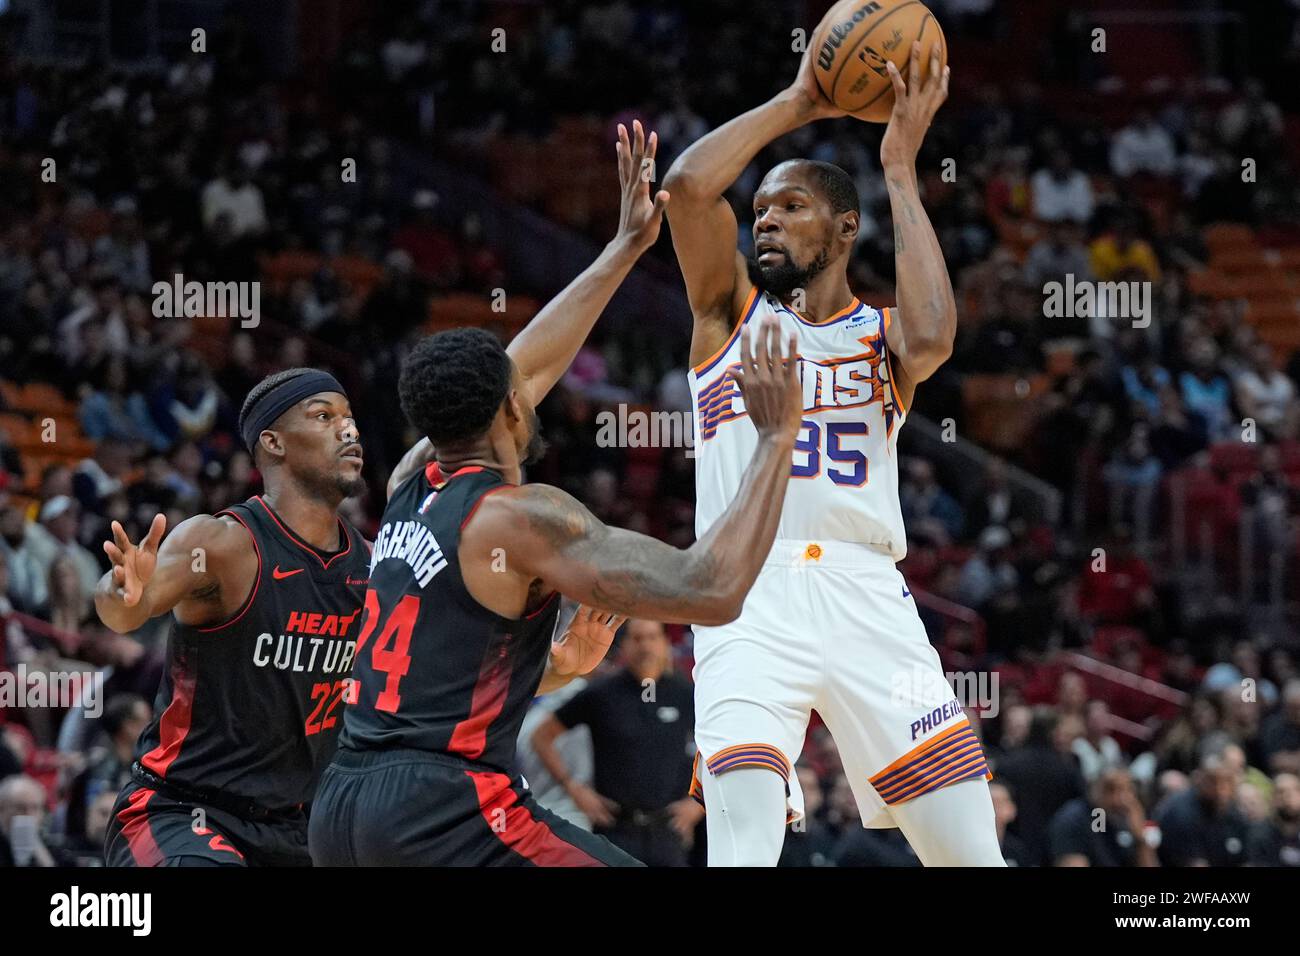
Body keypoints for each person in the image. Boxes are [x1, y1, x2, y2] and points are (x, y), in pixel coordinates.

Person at [309, 116, 806, 869]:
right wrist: (774, 441)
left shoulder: (414, 477)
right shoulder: (522, 516)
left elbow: (524, 367)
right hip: (444, 808)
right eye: (522, 393)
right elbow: (713, 589)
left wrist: (623, 248)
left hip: (344, 805)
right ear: (512, 410)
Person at [660, 16, 1001, 866]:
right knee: (744, 849)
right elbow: (691, 189)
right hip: (745, 588)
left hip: (864, 594)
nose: (766, 221)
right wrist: (800, 98)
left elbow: (933, 341)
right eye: (764, 209)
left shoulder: (882, 339)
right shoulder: (726, 318)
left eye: (792, 206)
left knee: (971, 856)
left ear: (846, 229)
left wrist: (897, 167)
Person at [96, 366, 375, 867]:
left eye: (350, 418)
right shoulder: (222, 544)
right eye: (324, 416)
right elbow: (125, 610)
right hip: (182, 812)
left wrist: (546, 666)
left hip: (301, 831)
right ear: (273, 442)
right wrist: (124, 590)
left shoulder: (373, 569)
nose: (348, 430)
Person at [530, 619, 701, 866]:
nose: (646, 646)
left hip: (669, 830)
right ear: (624, 645)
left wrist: (698, 803)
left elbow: (715, 748)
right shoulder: (601, 693)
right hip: (615, 828)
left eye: (652, 637)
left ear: (665, 643)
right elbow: (542, 736)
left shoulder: (685, 693)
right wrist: (575, 788)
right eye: (637, 638)